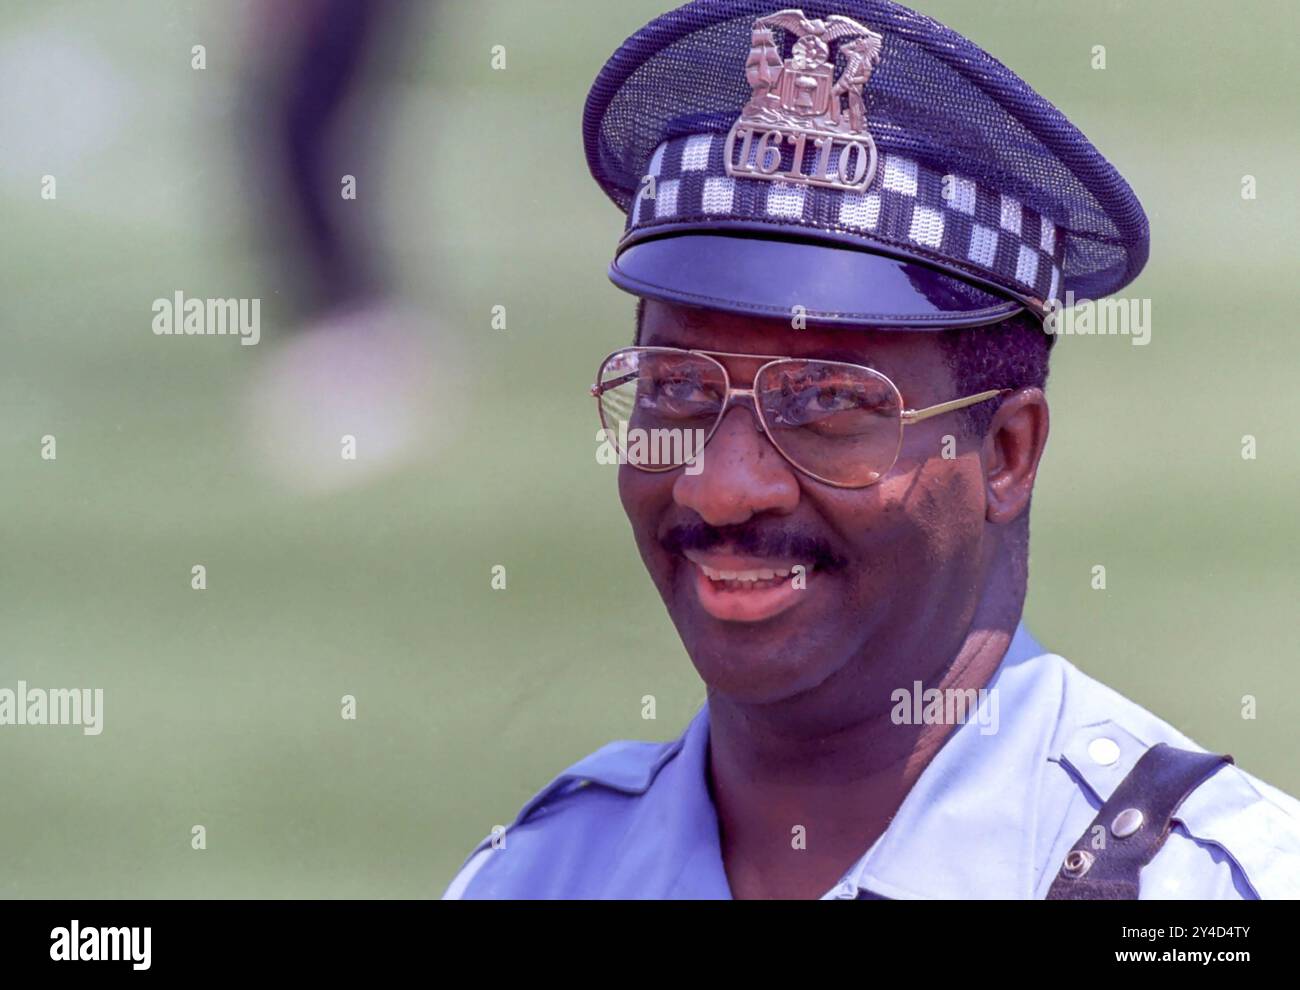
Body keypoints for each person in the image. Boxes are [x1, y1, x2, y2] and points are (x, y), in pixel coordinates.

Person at [445, 0, 1300, 899]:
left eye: (828, 403)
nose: (723, 487)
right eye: (677, 388)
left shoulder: (1205, 898)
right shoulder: (540, 874)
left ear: (1007, 454)